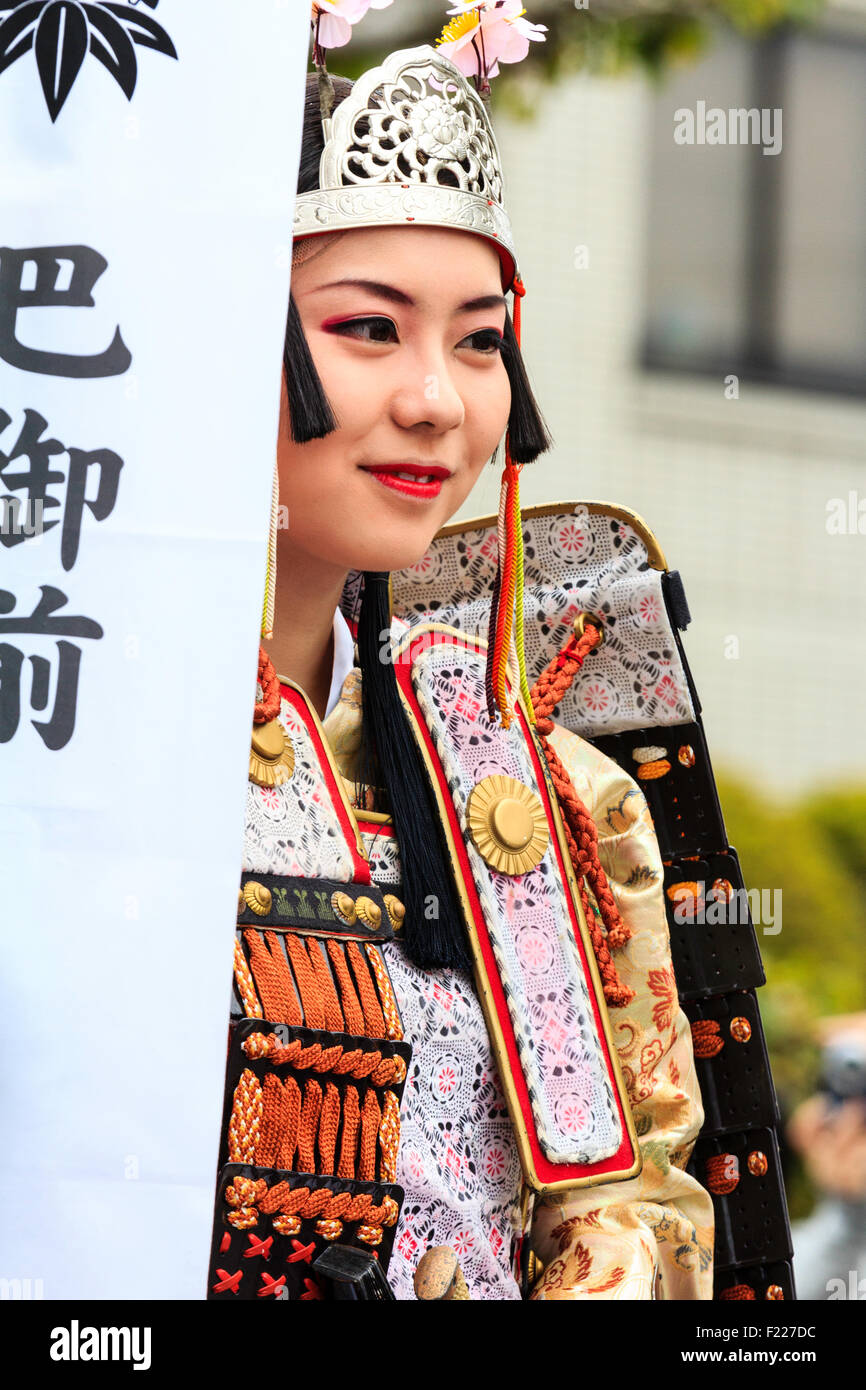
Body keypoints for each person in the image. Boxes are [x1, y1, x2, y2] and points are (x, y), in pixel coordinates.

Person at [207, 36, 714, 1302]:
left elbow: (632, 1198)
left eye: (479, 343)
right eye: (368, 328)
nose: (438, 399)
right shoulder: (62, 748)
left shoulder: (546, 791)